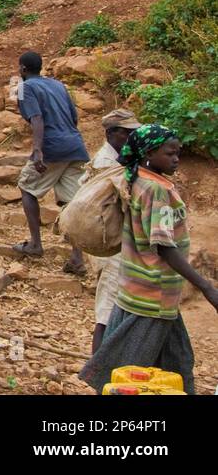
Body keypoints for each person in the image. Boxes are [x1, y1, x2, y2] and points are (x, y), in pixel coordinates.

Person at [80, 125, 217, 395]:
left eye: (178, 153)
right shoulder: (156, 191)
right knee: (129, 369)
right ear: (149, 152)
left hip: (138, 288)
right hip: (152, 294)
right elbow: (164, 245)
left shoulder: (137, 179)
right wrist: (205, 286)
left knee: (177, 361)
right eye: (170, 153)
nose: (176, 158)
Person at [12, 51, 89, 274]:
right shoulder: (58, 85)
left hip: (53, 147)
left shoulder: (26, 87)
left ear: (23, 69)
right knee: (70, 202)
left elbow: (37, 118)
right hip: (76, 147)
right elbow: (74, 117)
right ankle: (77, 257)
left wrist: (37, 150)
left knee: (27, 188)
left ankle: (35, 243)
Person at [88, 108, 142, 352]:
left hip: (116, 244)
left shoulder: (117, 160)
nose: (132, 138)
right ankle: (97, 367)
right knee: (106, 312)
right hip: (111, 247)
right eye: (128, 133)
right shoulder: (106, 164)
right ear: (113, 134)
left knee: (114, 308)